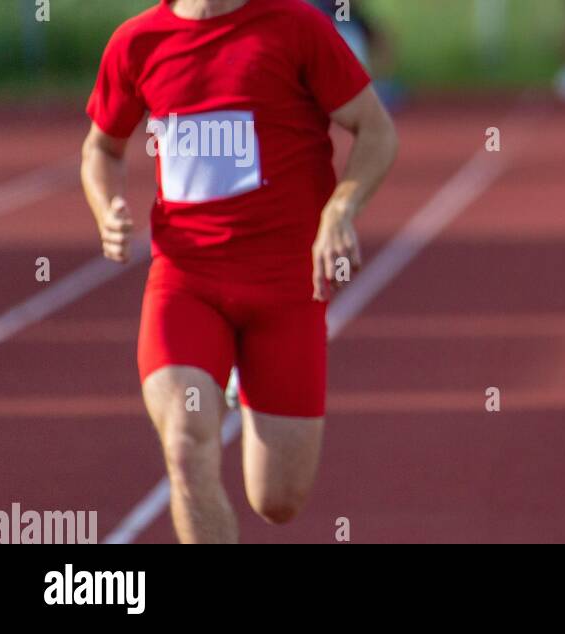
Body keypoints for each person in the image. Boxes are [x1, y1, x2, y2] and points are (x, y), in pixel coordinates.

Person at [80, 0, 398, 543]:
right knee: (185, 445)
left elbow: (376, 131)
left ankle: (236, 372)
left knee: (278, 500)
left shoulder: (296, 27)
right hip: (185, 282)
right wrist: (104, 205)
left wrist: (340, 209)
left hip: (286, 286)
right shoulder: (137, 41)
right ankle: (214, 365)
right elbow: (101, 148)